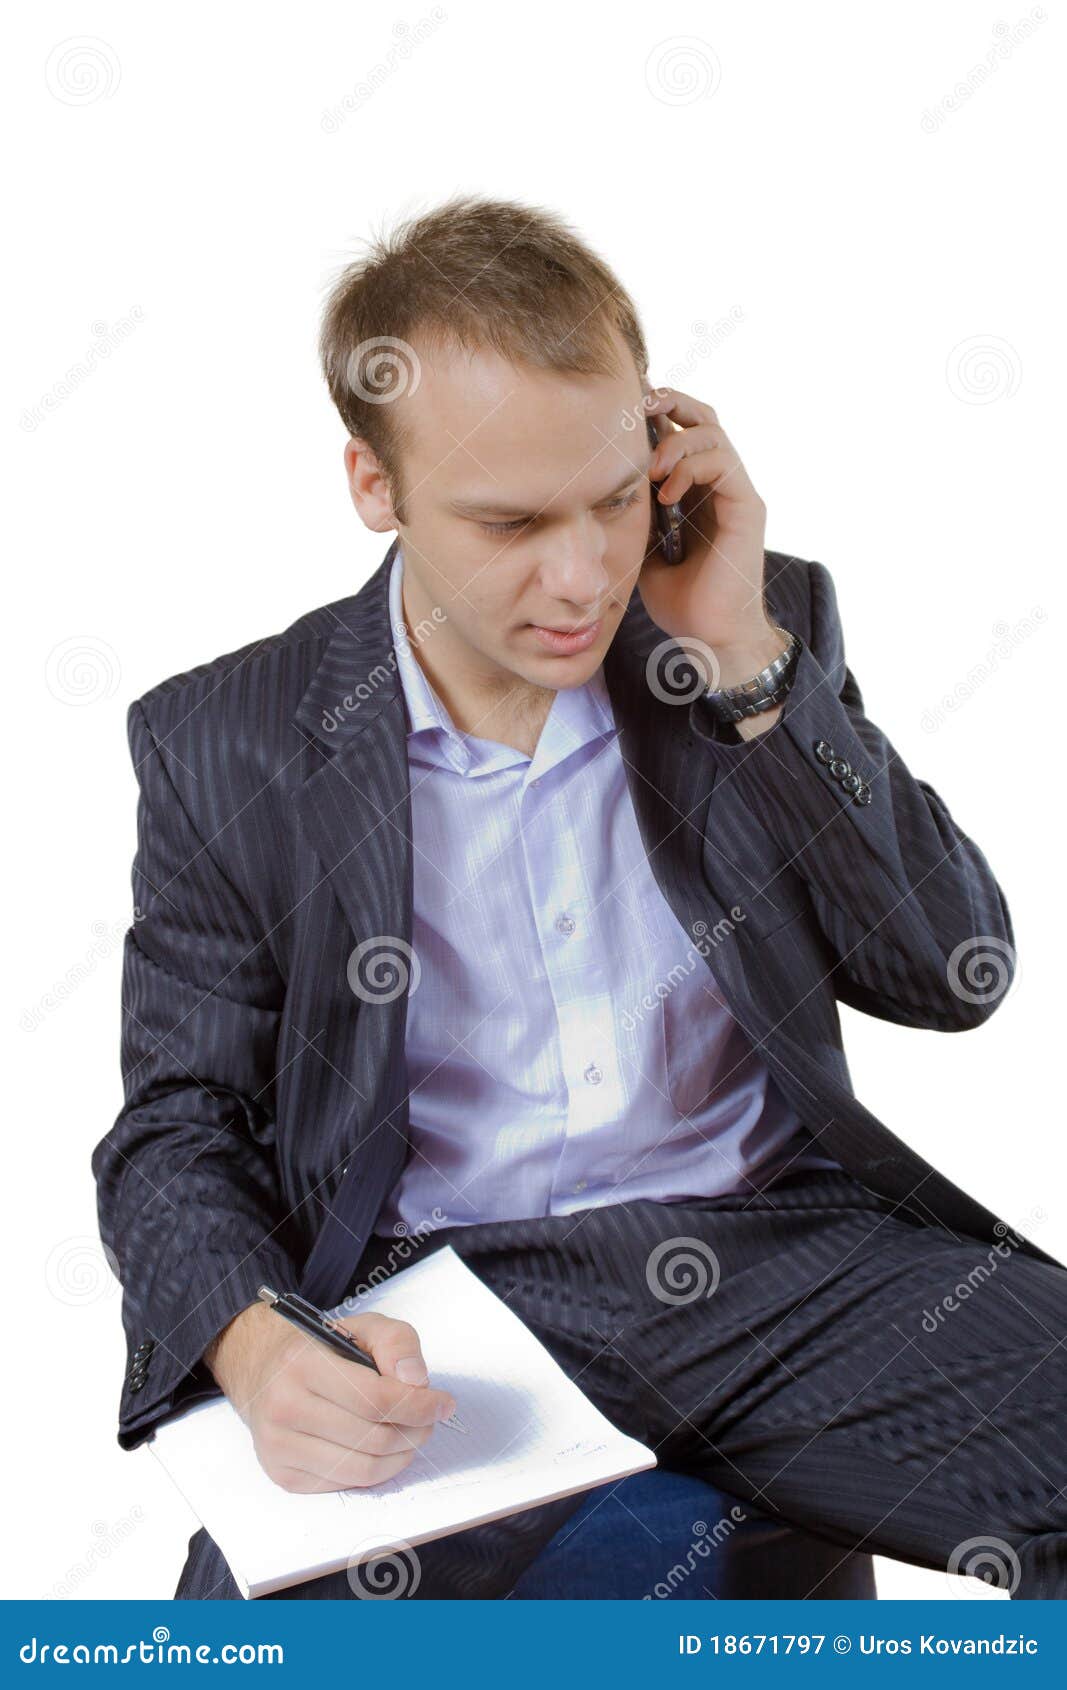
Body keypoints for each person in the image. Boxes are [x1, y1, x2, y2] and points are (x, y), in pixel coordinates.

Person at [93, 195, 1067, 1601]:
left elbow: (952, 969)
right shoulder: (228, 738)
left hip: (775, 1260)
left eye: (616, 498)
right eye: (512, 521)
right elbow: (176, 1125)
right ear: (375, 485)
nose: (586, 573)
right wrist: (253, 1341)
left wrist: (744, 657)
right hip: (448, 1299)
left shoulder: (738, 626)